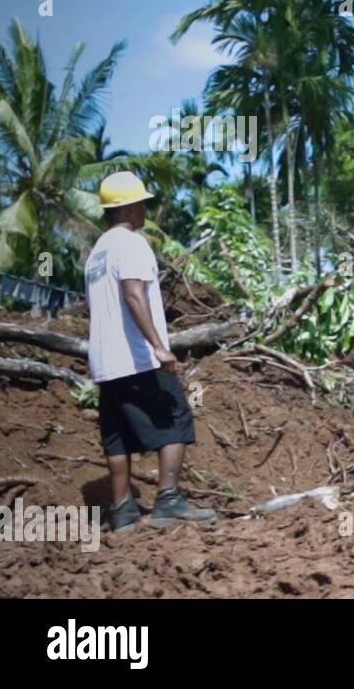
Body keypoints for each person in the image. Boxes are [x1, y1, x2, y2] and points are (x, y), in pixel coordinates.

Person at [85, 171, 216, 532]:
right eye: (142, 202)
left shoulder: (97, 253)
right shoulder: (132, 244)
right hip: (137, 357)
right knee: (175, 414)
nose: (145, 209)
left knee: (117, 433)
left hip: (105, 362)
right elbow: (133, 294)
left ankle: (123, 509)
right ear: (127, 208)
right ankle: (169, 500)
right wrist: (159, 346)